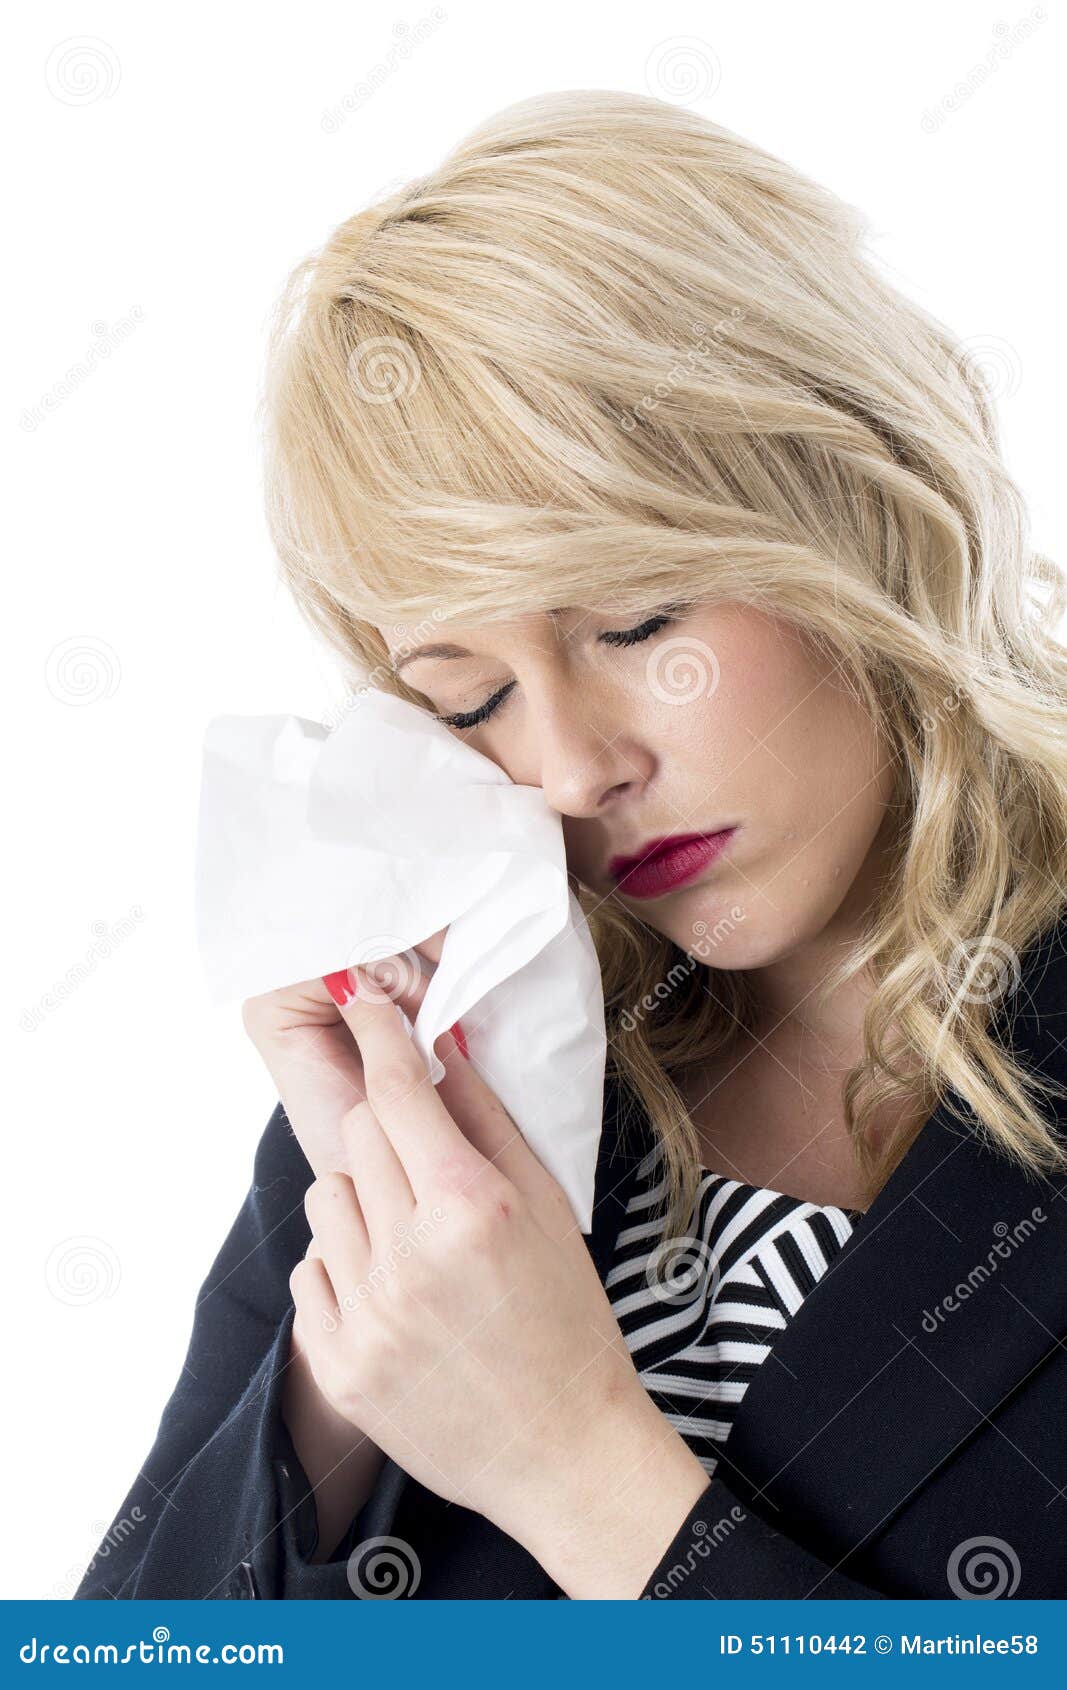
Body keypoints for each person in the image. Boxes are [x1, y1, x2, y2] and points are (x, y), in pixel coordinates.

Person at [76, 89, 1067, 1601]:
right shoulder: (467, 1053)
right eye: (468, 698)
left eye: (638, 620)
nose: (569, 771)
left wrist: (578, 1463)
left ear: (860, 492)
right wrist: (351, 1371)